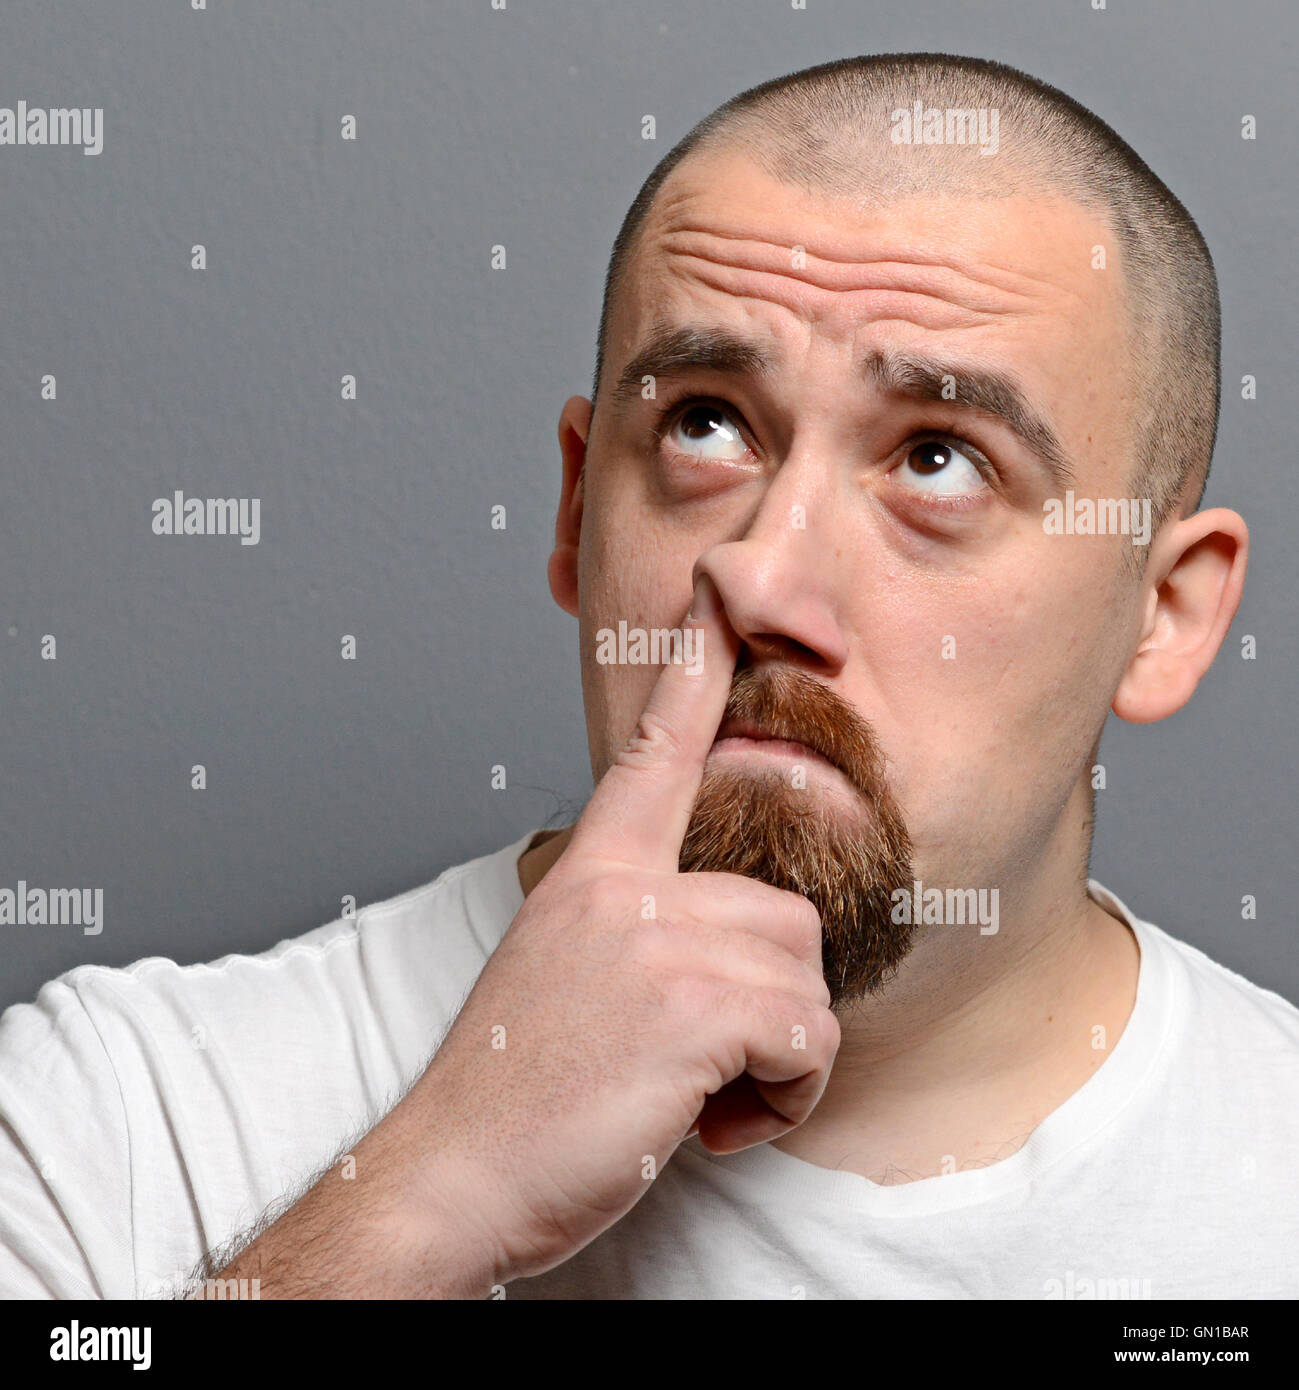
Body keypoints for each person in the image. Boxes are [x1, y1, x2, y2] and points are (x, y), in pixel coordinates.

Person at [2, 52, 1294, 1301]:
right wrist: (422, 1204)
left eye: (940, 459)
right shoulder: (118, 1122)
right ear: (576, 507)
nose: (764, 579)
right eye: (707, 422)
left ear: (1165, 613)